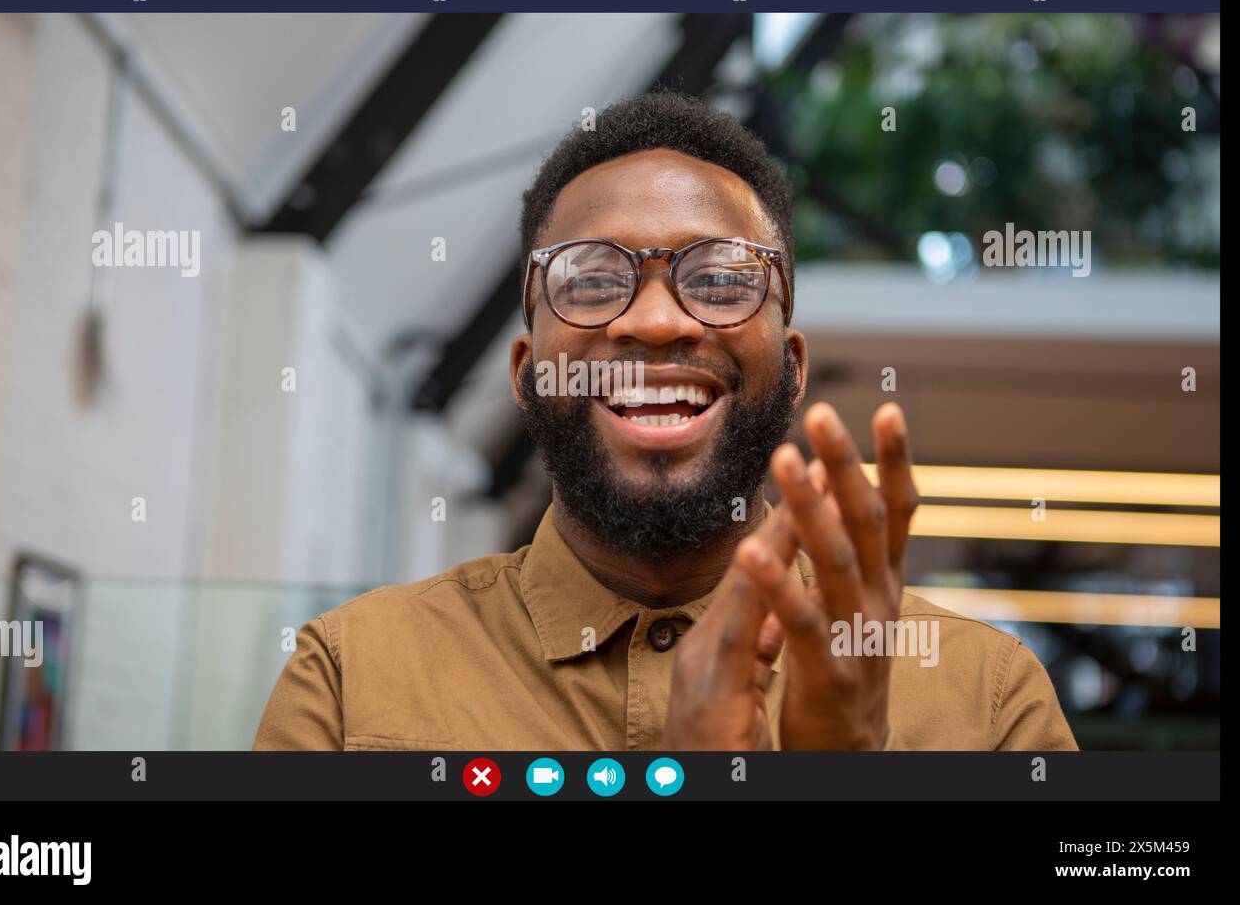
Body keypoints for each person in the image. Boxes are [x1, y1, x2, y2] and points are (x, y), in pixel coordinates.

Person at [254, 90, 1076, 752]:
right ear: (526, 373)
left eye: (719, 281)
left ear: (792, 369)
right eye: (589, 277)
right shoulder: (351, 681)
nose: (652, 322)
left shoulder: (987, 704)